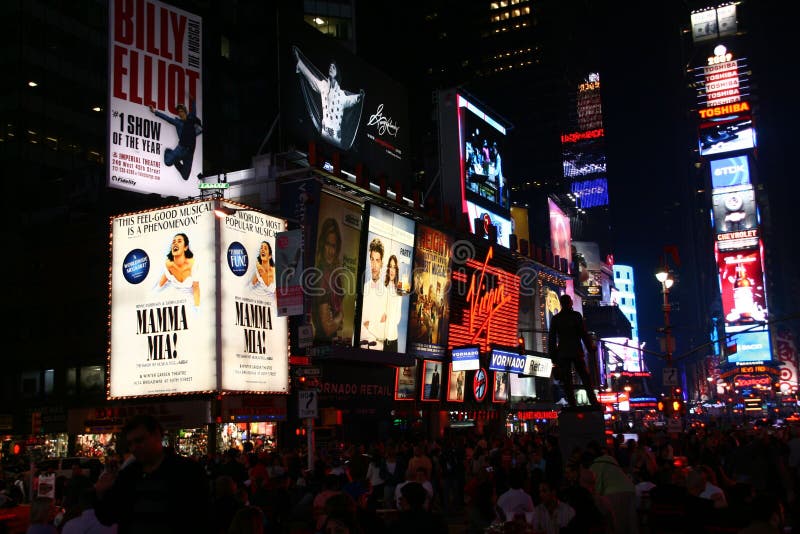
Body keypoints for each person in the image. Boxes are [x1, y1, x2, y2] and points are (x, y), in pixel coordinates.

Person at [93, 414, 211, 533]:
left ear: (157, 435)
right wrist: (101, 493)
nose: (134, 448)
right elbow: (109, 517)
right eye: (130, 444)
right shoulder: (128, 475)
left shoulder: (186, 471)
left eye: (139, 440)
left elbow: (202, 518)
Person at [293, 46, 364, 150]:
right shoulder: (324, 86)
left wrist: (360, 96)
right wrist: (299, 61)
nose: (330, 68)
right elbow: (310, 77)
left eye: (333, 67)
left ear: (337, 72)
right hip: (325, 134)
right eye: (330, 66)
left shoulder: (342, 95)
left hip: (336, 139)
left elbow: (352, 100)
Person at [548, 294, 599, 407]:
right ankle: (593, 401)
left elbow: (552, 339)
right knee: (585, 377)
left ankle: (572, 404)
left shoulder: (556, 319)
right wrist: (590, 348)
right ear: (570, 303)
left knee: (567, 380)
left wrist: (553, 356)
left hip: (563, 353)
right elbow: (583, 333)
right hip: (576, 351)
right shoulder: (576, 316)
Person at [148, 97, 202, 181]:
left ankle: (176, 160)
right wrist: (155, 111)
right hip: (181, 149)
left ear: (185, 112)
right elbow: (167, 118)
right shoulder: (178, 123)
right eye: (179, 112)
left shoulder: (191, 119)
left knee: (185, 177)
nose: (180, 113)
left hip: (190, 153)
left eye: (181, 111)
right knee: (168, 162)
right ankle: (168, 151)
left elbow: (194, 110)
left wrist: (193, 101)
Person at [313, 218, 345, 343]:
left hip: (332, 343)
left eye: (334, 246)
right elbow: (328, 328)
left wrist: (337, 320)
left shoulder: (335, 277)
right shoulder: (320, 275)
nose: (331, 251)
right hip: (321, 345)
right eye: (328, 244)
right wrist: (339, 317)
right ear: (322, 244)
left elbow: (340, 324)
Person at [156, 232, 200, 307]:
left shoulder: (193, 264)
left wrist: (197, 308)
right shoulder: (168, 264)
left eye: (179, 241)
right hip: (173, 301)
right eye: (173, 242)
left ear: (185, 247)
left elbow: (196, 289)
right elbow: (159, 286)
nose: (175, 243)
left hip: (189, 302)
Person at [360, 237, 386, 350]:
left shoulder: (386, 293)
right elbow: (360, 324)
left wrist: (369, 324)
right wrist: (376, 324)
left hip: (378, 351)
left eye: (377, 260)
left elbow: (383, 333)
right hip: (361, 348)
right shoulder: (363, 288)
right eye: (372, 259)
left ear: (382, 263)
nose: (374, 265)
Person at [383, 254, 403, 352]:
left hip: (393, 338)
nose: (392, 270)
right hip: (381, 339)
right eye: (390, 266)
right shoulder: (383, 288)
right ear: (388, 269)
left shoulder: (398, 291)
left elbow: (398, 318)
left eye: (394, 267)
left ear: (396, 270)